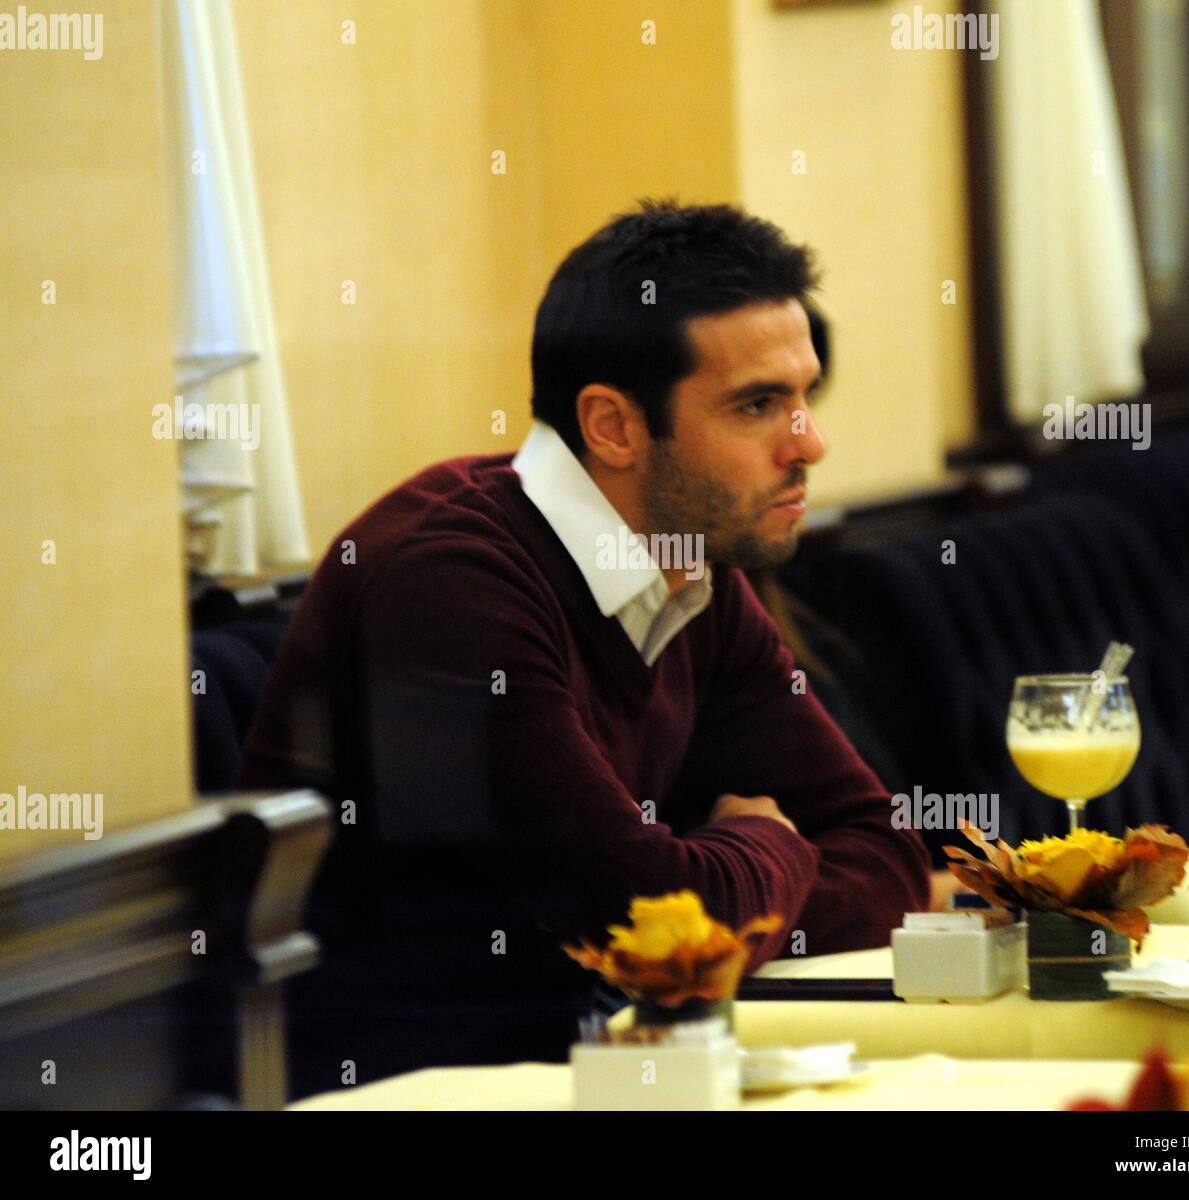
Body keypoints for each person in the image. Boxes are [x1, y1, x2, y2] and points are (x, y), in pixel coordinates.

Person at [239, 198, 929, 1095]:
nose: (811, 444)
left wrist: (722, 876)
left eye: (804, 398)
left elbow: (886, 852)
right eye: (759, 405)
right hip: (412, 1088)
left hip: (608, 1069)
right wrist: (774, 844)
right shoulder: (449, 581)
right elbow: (631, 916)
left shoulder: (693, 563)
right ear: (612, 427)